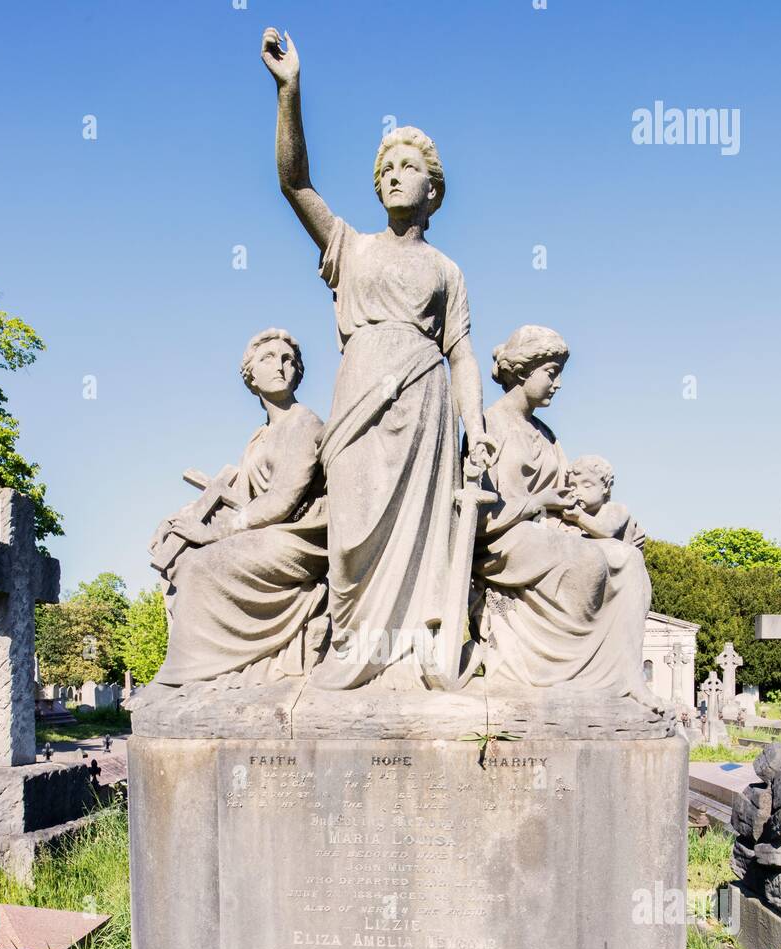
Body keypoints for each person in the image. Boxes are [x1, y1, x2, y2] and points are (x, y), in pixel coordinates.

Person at [261, 28, 496, 688]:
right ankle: (351, 649)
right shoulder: (350, 247)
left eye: (407, 168)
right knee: (353, 531)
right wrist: (289, 91)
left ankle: (415, 653)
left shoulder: (446, 270)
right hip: (360, 395)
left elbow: (463, 352)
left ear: (433, 190)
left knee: (423, 536)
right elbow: (293, 181)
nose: (394, 175)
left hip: (424, 403)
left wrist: (474, 427)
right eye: (384, 169)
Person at [473, 325, 661, 706]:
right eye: (551, 373)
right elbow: (482, 513)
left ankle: (627, 676)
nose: (557, 384)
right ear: (524, 370)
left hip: (545, 534)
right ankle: (578, 674)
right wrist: (540, 501)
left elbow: (571, 501)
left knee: (627, 558)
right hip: (503, 539)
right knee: (588, 560)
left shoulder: (546, 435)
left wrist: (615, 526)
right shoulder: (490, 425)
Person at [147, 328, 328, 688]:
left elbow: (281, 501)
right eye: (268, 358)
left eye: (288, 360)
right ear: (251, 376)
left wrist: (214, 535)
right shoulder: (259, 437)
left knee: (201, 565)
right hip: (267, 529)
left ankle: (190, 676)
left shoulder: (304, 422)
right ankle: (215, 668)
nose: (280, 366)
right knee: (185, 560)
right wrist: (183, 519)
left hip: (300, 535)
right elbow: (236, 498)